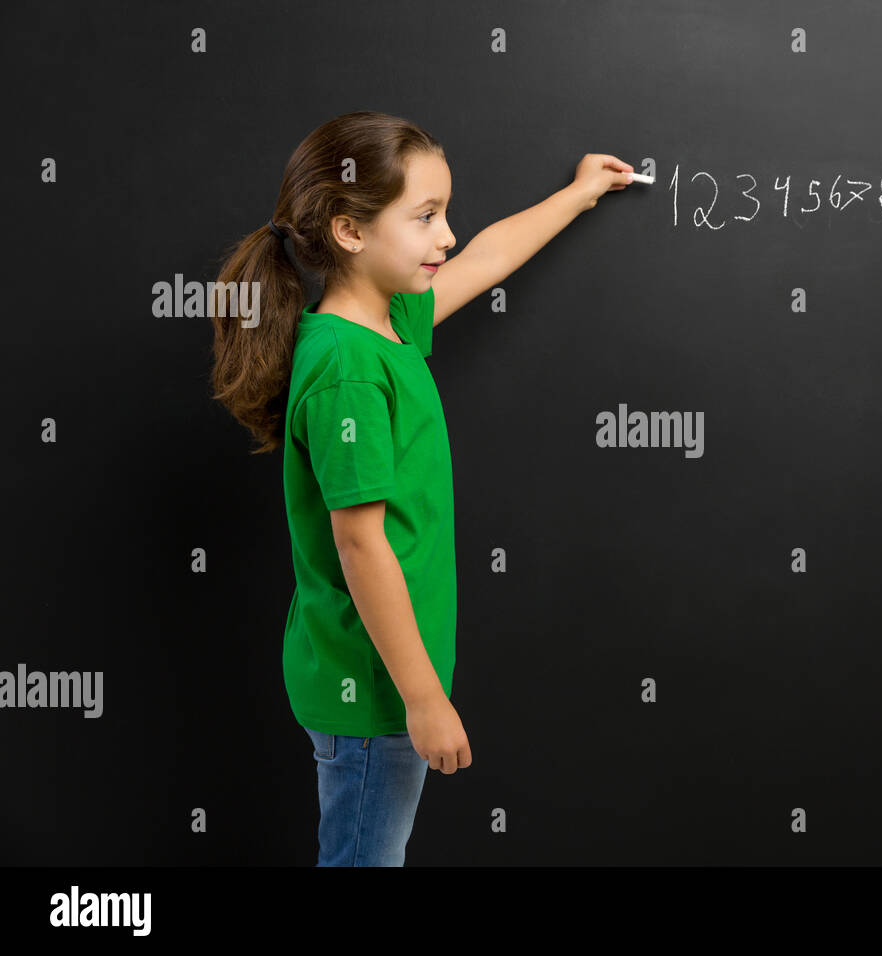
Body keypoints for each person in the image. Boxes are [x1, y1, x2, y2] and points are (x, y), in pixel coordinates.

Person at [209, 111, 633, 865]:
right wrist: (423, 700)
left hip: (376, 678)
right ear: (350, 232)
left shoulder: (388, 323)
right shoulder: (348, 369)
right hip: (370, 689)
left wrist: (579, 194)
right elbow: (359, 540)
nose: (446, 236)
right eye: (427, 216)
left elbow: (488, 258)